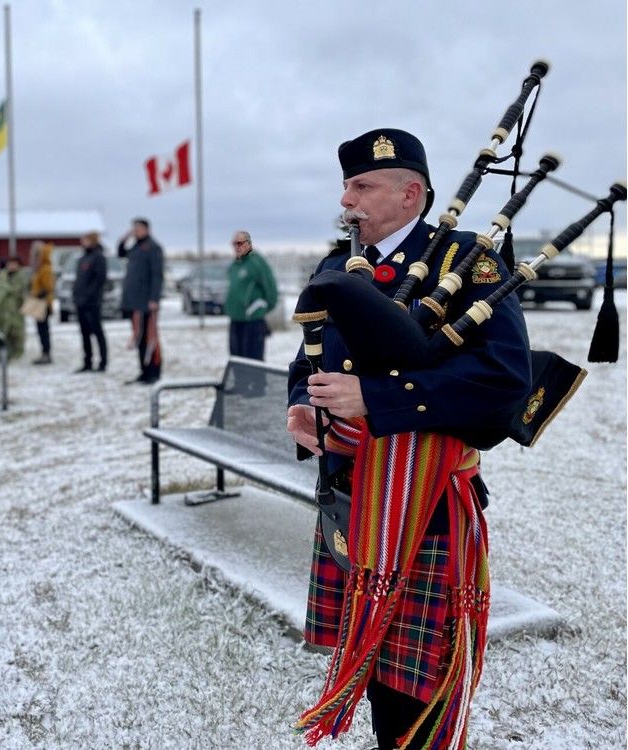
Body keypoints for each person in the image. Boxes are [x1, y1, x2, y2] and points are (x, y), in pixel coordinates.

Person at [286, 129, 531, 750]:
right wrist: (299, 408)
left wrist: (378, 399)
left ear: (411, 193)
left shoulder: (466, 261)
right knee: (374, 678)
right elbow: (306, 359)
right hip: (353, 499)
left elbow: (503, 379)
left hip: (424, 504)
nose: (348, 200)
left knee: (417, 695)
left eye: (362, 186)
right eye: (346, 185)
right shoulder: (337, 265)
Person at [118, 217, 164, 384]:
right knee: (139, 337)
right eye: (134, 229)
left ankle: (154, 372)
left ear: (147, 229)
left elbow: (157, 275)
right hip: (134, 301)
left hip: (146, 301)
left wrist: (154, 298)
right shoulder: (135, 247)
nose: (136, 231)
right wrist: (124, 238)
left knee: (150, 337)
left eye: (138, 228)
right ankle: (144, 371)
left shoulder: (153, 247)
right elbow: (120, 253)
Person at [224, 230, 278, 362]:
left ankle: (257, 383)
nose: (236, 247)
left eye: (239, 243)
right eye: (233, 244)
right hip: (235, 320)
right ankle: (239, 383)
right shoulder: (234, 266)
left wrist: (263, 308)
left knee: (253, 363)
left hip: (253, 322)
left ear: (248, 244)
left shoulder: (256, 262)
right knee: (236, 360)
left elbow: (270, 287)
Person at [72, 231, 108, 373]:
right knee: (84, 333)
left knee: (97, 332)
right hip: (80, 302)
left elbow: (99, 280)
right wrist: (76, 295)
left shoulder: (98, 257)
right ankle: (87, 361)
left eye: (85, 239)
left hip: (92, 303)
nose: (83, 242)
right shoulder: (82, 258)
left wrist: (89, 295)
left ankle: (103, 362)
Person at [0, 255, 26, 359]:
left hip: (15, 310)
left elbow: (19, 291)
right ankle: (3, 353)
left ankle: (17, 354)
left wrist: (7, 289)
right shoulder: (2, 275)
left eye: (14, 264)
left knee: (16, 333)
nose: (11, 266)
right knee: (2, 332)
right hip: (1, 309)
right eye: (10, 264)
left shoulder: (22, 276)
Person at [28, 241, 55, 365]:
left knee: (44, 330)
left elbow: (48, 287)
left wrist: (38, 295)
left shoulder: (45, 269)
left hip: (43, 302)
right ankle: (44, 352)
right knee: (40, 329)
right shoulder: (37, 269)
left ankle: (46, 353)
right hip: (37, 301)